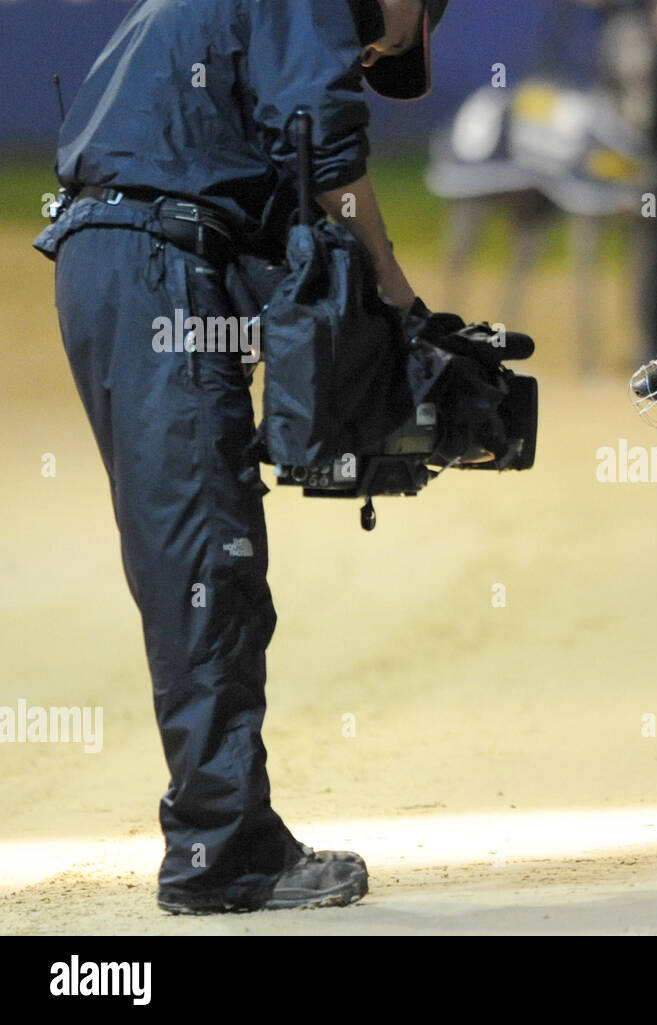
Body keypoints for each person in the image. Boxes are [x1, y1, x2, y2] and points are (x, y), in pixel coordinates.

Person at [34, 0, 447, 914]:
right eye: (387, 40)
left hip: (125, 259)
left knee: (203, 550)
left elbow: (252, 177)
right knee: (206, 559)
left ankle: (227, 832)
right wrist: (403, 310)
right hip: (157, 268)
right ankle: (221, 853)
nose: (372, 52)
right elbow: (323, 152)